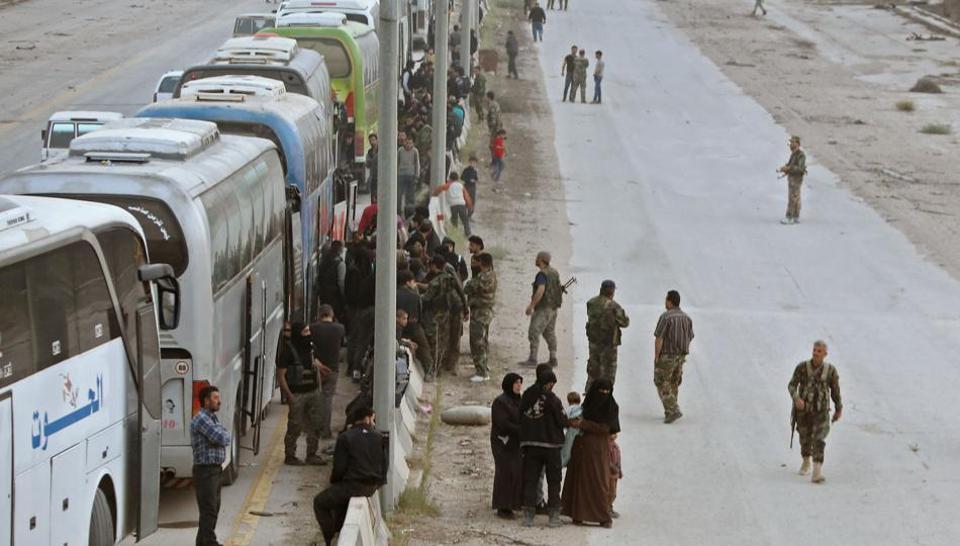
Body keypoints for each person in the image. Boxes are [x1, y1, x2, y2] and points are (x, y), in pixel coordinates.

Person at [313, 406, 386, 546]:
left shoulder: (345, 437)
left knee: (320, 502)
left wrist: (333, 482)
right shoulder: (379, 437)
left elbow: (339, 469)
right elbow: (384, 466)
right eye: (373, 419)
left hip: (353, 486)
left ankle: (330, 539)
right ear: (367, 419)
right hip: (372, 486)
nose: (374, 423)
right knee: (340, 501)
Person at [561, 378, 619, 528]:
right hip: (581, 447)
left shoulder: (611, 407)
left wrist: (584, 424)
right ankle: (578, 514)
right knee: (579, 480)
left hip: (597, 449)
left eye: (607, 392)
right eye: (601, 391)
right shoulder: (586, 406)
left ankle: (602, 517)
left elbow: (606, 429)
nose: (604, 395)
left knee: (598, 481)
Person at [788, 340, 842, 484]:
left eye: (819, 351)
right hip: (804, 411)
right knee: (805, 438)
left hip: (821, 411)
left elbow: (835, 391)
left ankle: (817, 471)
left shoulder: (830, 371)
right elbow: (792, 385)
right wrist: (796, 398)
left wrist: (838, 408)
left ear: (825, 354)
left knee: (819, 439)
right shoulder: (802, 367)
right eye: (814, 350)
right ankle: (806, 461)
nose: (816, 353)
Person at [519, 370, 566, 527]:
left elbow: (520, 416)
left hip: (530, 445)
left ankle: (528, 517)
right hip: (551, 446)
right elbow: (562, 420)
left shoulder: (526, 396)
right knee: (554, 480)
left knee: (531, 480)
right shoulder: (552, 399)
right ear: (549, 383)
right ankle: (553, 517)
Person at [277, 322, 325, 466]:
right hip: (297, 394)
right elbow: (280, 376)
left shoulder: (310, 348)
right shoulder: (287, 351)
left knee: (315, 424)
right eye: (305, 331)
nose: (308, 334)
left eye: (308, 331)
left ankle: (312, 454)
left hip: (313, 392)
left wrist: (320, 368)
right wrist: (289, 396)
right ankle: (290, 455)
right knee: (295, 426)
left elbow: (314, 363)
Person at [190, 385, 231, 546]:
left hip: (214, 470)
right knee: (209, 510)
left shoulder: (212, 418)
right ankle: (209, 542)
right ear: (206, 401)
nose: (219, 401)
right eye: (215, 398)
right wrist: (223, 435)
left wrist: (223, 434)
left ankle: (202, 542)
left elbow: (225, 435)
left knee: (212, 508)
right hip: (205, 471)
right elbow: (221, 437)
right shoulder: (202, 419)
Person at [422, 254, 468, 376]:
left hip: (443, 313)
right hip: (452, 309)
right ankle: (451, 365)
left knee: (440, 340)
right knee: (454, 337)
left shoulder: (437, 281)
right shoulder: (449, 278)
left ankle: (438, 368)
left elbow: (426, 298)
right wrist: (465, 307)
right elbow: (460, 290)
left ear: (433, 265)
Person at [653, 290, 694, 423]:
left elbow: (659, 337)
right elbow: (690, 336)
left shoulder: (666, 317)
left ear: (670, 301)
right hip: (680, 356)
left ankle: (673, 409)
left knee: (661, 381)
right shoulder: (687, 318)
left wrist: (657, 356)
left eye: (666, 300)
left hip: (667, 355)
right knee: (674, 382)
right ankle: (669, 411)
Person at [518, 251, 562, 368]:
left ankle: (533, 359)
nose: (535, 260)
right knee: (549, 332)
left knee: (534, 331)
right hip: (553, 308)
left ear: (541, 260)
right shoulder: (554, 272)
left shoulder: (542, 275)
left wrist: (531, 306)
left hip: (544, 308)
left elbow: (541, 290)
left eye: (537, 258)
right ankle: (553, 358)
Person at [584, 279, 630, 391]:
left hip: (594, 343)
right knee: (609, 372)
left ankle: (589, 393)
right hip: (609, 345)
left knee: (593, 370)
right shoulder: (614, 306)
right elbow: (625, 322)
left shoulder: (591, 303)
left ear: (601, 289)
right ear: (612, 292)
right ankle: (605, 394)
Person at [491, 373, 524, 518]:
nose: (518, 385)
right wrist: (522, 429)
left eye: (520, 382)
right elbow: (503, 423)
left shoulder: (519, 401)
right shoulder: (500, 402)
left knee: (516, 472)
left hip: (516, 443)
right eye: (516, 382)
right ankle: (502, 506)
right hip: (502, 442)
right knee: (505, 473)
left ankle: (513, 504)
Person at [311, 305, 346, 440]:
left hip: (316, 367)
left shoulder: (312, 328)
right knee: (327, 399)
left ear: (319, 315)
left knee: (314, 398)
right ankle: (325, 431)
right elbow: (342, 345)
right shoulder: (340, 328)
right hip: (332, 369)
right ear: (332, 315)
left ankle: (313, 429)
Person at [465, 252, 497, 382]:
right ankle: (484, 366)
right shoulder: (492, 274)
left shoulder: (482, 277)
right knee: (483, 341)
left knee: (477, 342)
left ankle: (482, 372)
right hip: (486, 312)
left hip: (479, 313)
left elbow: (467, 288)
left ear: (481, 263)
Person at [397, 270, 433, 374]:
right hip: (413, 327)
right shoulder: (415, 296)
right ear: (408, 282)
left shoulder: (393, 294)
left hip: (397, 327)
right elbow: (419, 316)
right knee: (424, 347)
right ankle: (429, 371)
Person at [779, 135, 807, 224]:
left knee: (793, 198)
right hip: (792, 178)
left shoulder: (801, 155)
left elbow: (799, 168)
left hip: (796, 179)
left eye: (792, 142)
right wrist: (785, 168)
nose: (790, 144)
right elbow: (791, 164)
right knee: (796, 197)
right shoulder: (794, 154)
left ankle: (789, 217)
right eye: (790, 142)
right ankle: (795, 216)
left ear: (797, 143)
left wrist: (788, 168)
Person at [398, 137, 421, 216]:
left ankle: (409, 213)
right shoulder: (400, 150)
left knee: (410, 196)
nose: (408, 145)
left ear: (413, 144)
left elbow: (417, 163)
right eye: (407, 143)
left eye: (410, 143)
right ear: (404, 142)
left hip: (411, 175)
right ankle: (398, 212)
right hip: (401, 175)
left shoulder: (415, 151)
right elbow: (397, 162)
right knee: (399, 194)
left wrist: (417, 176)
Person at [560, 391, 582, 467]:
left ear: (569, 401)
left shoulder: (569, 408)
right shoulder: (581, 408)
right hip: (580, 430)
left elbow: (564, 419)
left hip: (571, 431)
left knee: (567, 449)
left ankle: (562, 462)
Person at [608, 433, 623, 519]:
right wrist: (614, 468)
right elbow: (607, 461)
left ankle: (610, 507)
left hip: (615, 474)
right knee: (610, 492)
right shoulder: (607, 447)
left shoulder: (616, 446)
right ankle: (607, 508)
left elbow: (619, 459)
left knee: (613, 493)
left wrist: (619, 470)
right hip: (609, 474)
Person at [485, 91, 502, 161]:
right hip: (498, 127)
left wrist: (491, 130)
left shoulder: (491, 105)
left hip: (495, 128)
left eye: (486, 97)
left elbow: (493, 118)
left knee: (492, 145)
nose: (485, 98)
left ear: (489, 97)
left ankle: (494, 160)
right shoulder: (496, 104)